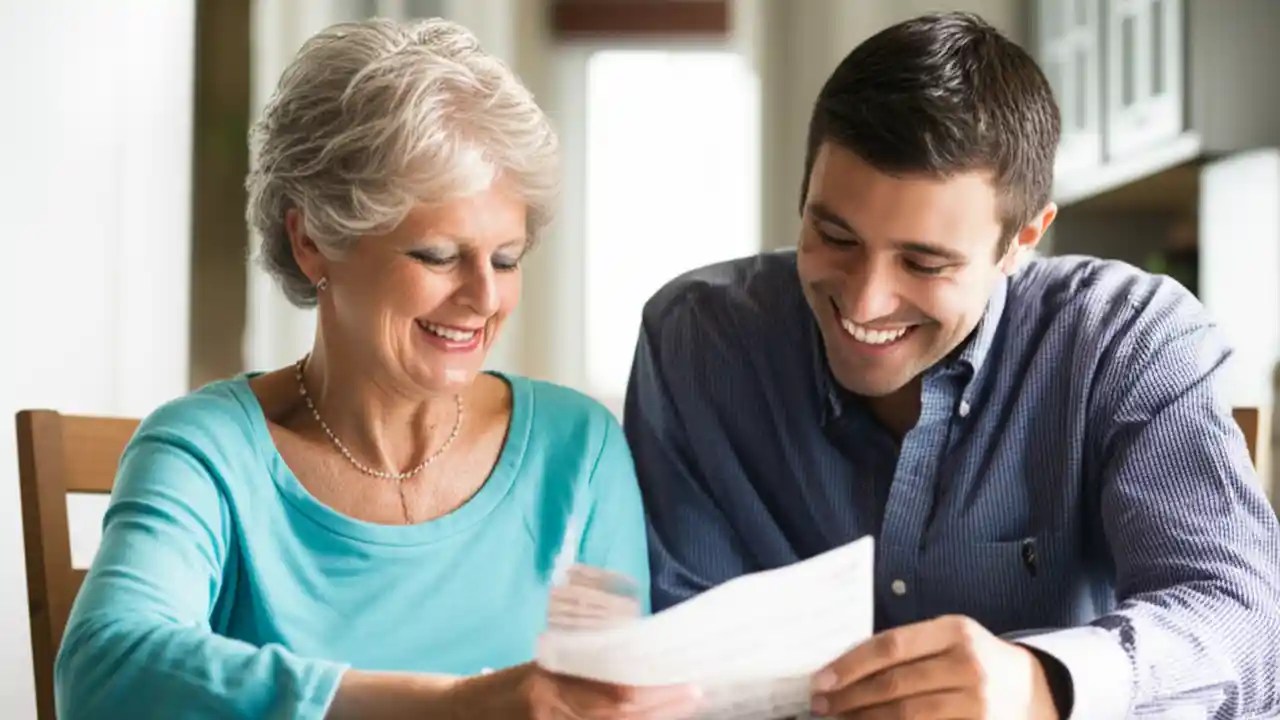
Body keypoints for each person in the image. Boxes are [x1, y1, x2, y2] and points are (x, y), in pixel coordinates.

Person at [625, 11, 1280, 719]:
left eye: (924, 261)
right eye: (834, 234)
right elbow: (684, 656)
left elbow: (1244, 625)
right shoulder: (697, 341)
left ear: (1021, 240)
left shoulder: (1124, 340)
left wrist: (1041, 682)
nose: (866, 299)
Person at [56, 18, 699, 720]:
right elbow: (104, 666)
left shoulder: (576, 451)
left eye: (506, 259)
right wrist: (451, 706)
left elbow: (623, 701)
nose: (484, 297)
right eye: (436, 255)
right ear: (311, 242)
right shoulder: (208, 451)